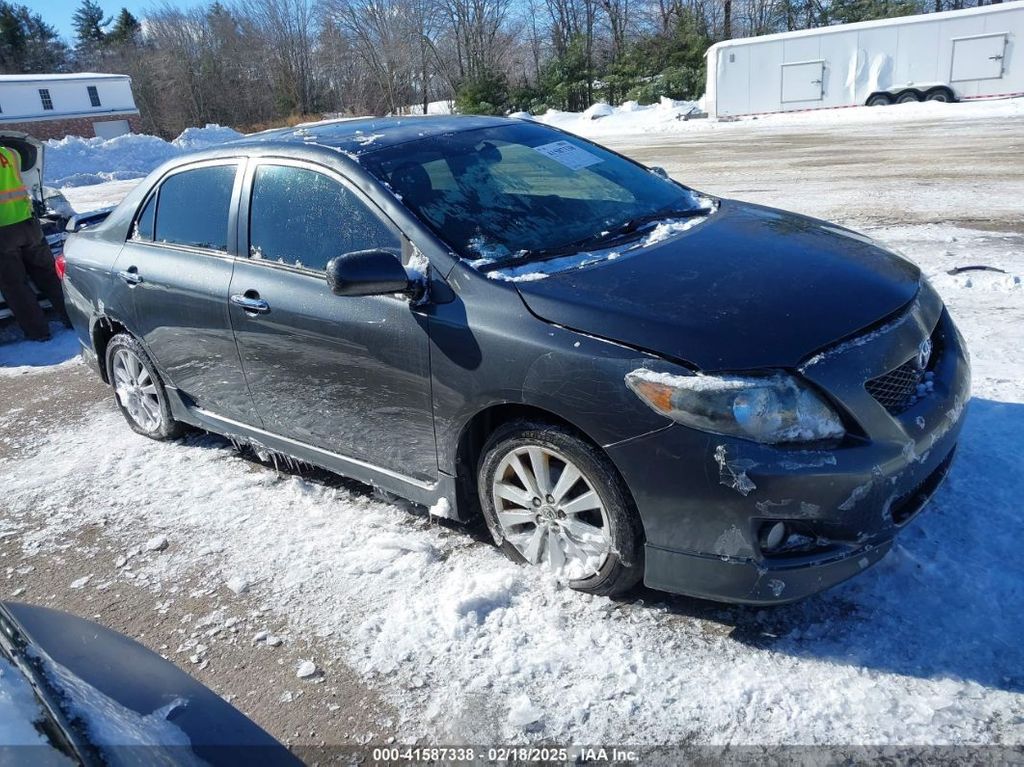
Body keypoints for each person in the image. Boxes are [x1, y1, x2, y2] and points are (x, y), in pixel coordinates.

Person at [0, 143, 69, 341]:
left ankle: (38, 332)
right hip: (28, 224)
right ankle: (72, 317)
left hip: (3, 232)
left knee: (15, 286)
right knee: (48, 275)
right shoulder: (11, 153)